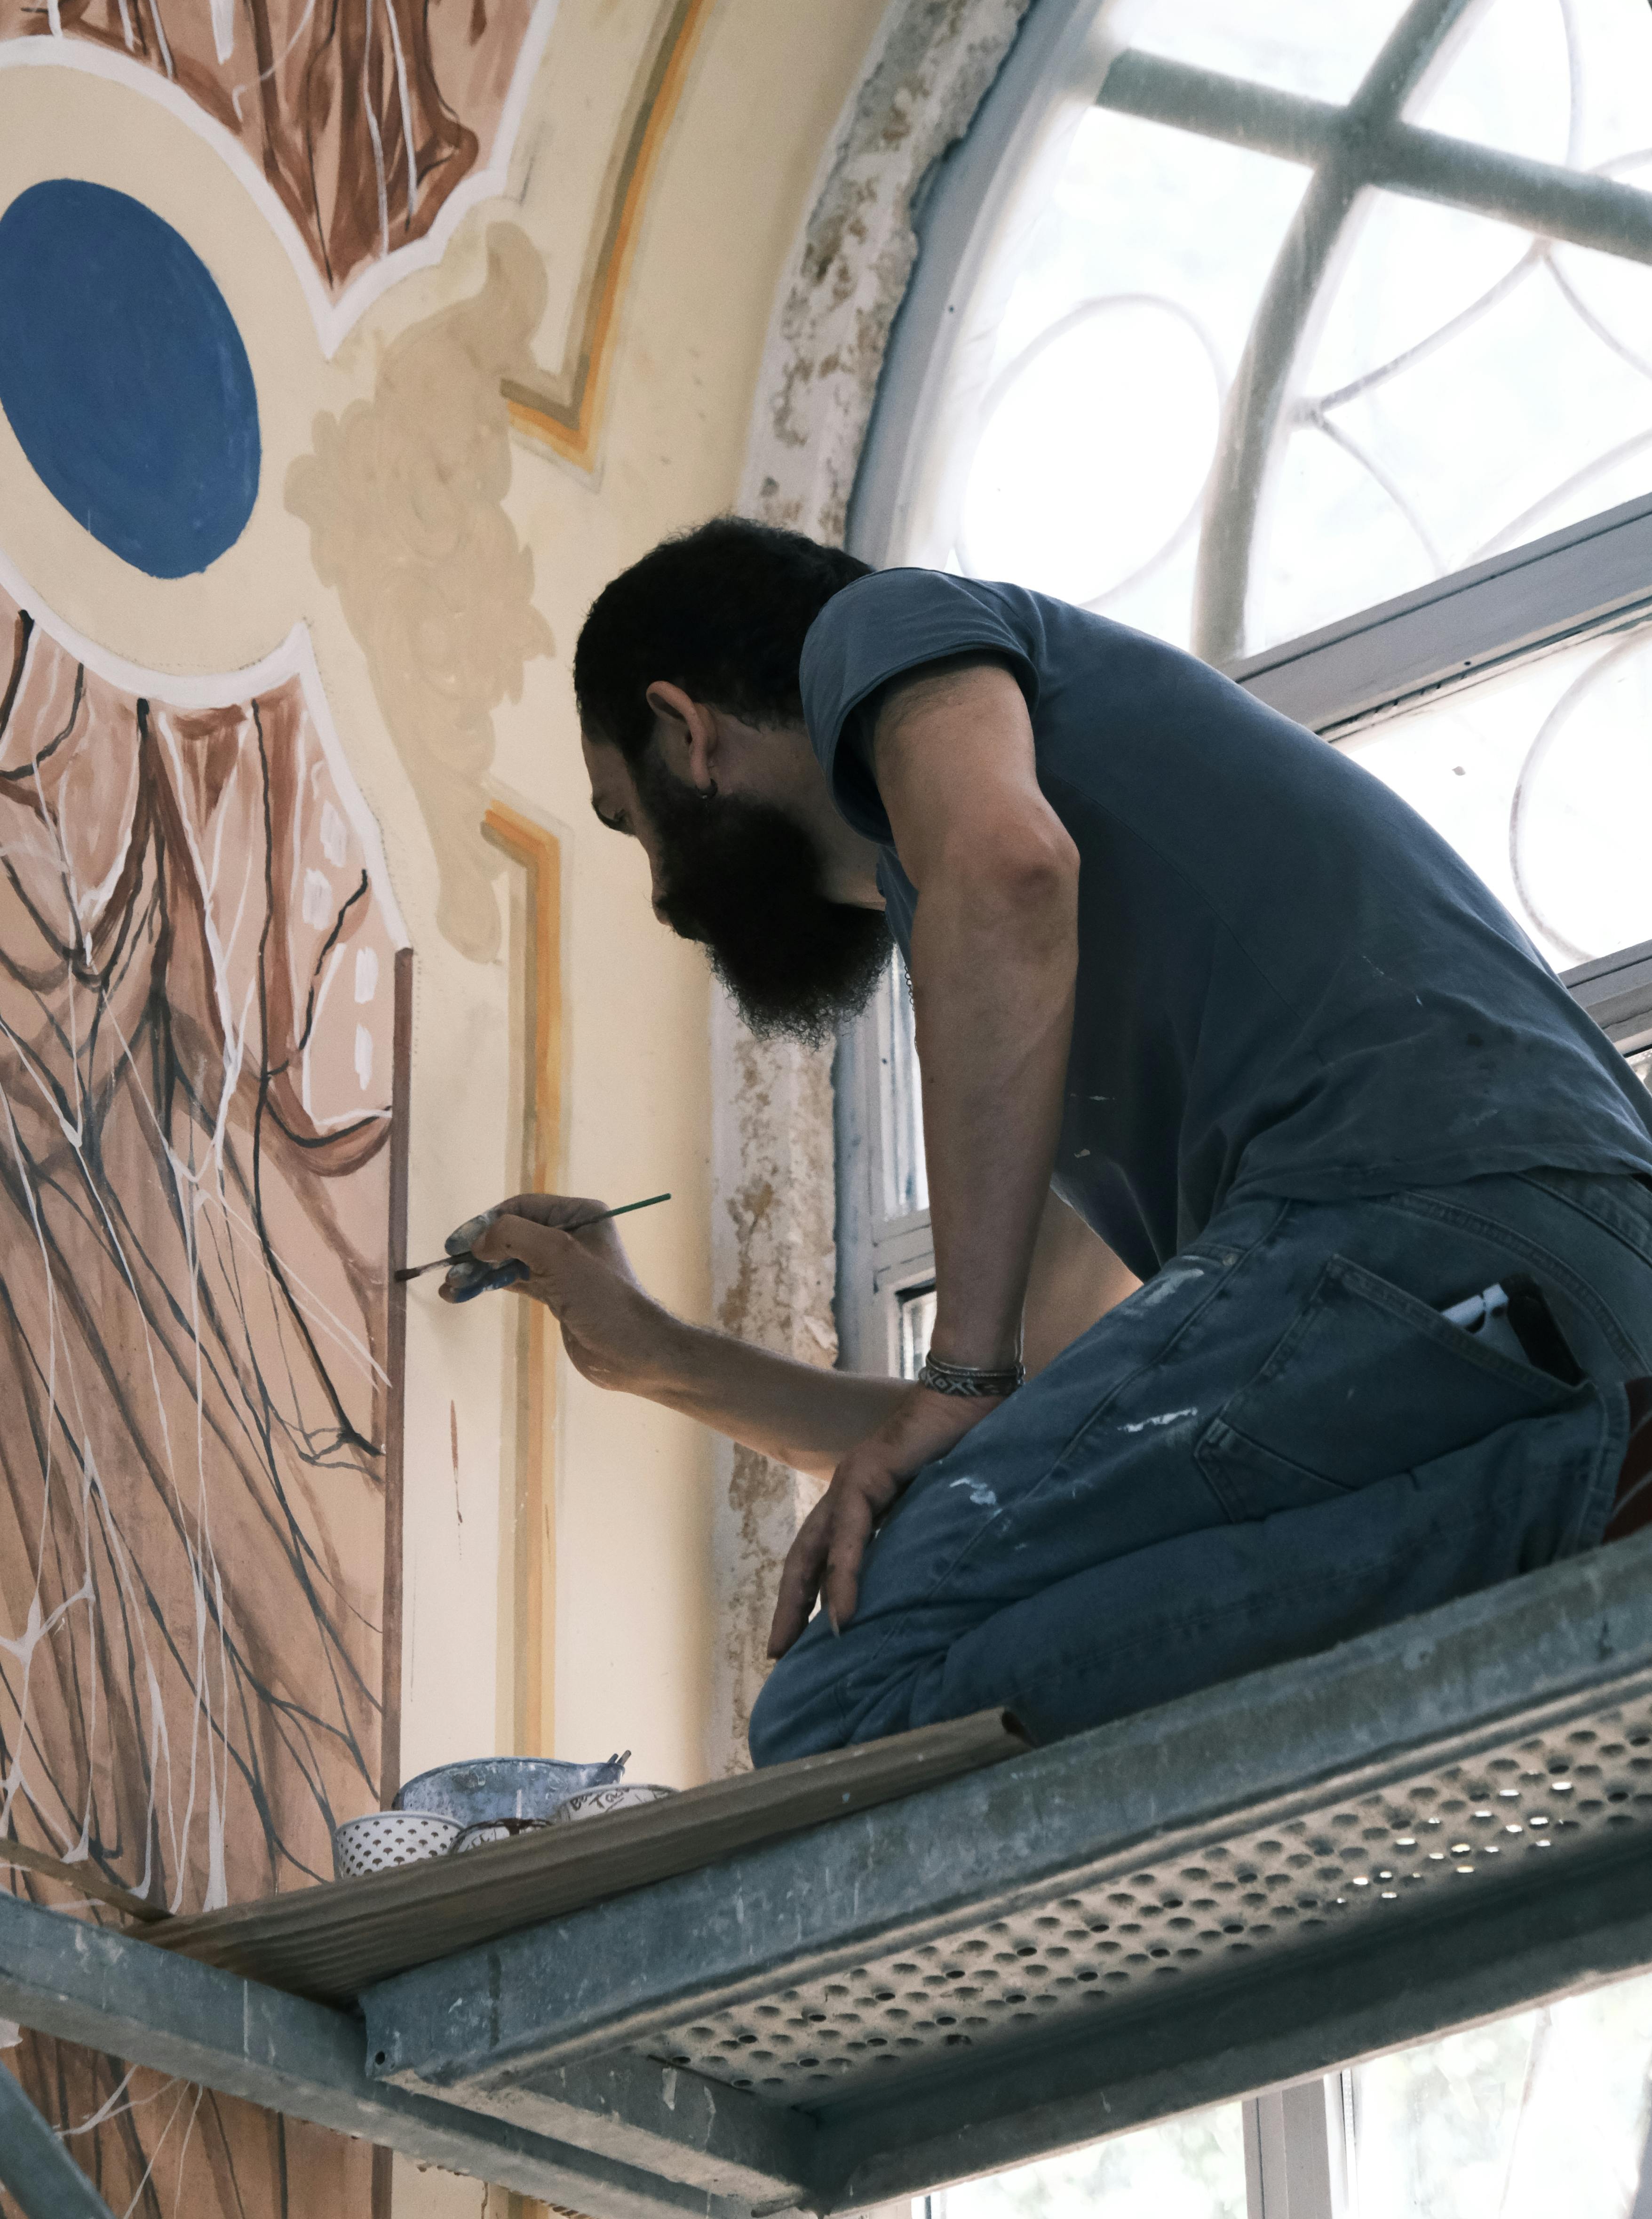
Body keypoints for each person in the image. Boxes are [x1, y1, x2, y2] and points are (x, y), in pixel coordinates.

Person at [446, 517, 1652, 1762]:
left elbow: (1008, 867)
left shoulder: (883, 632)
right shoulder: (1038, 1040)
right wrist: (657, 1357)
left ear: (685, 731)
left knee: (841, 1704)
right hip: (1534, 1304)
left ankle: (1569, 1515)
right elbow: (1029, 1436)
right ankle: (1570, 1517)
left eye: (622, 817)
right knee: (893, 1695)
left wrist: (959, 1371)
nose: (657, 889)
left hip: (1447, 1205)